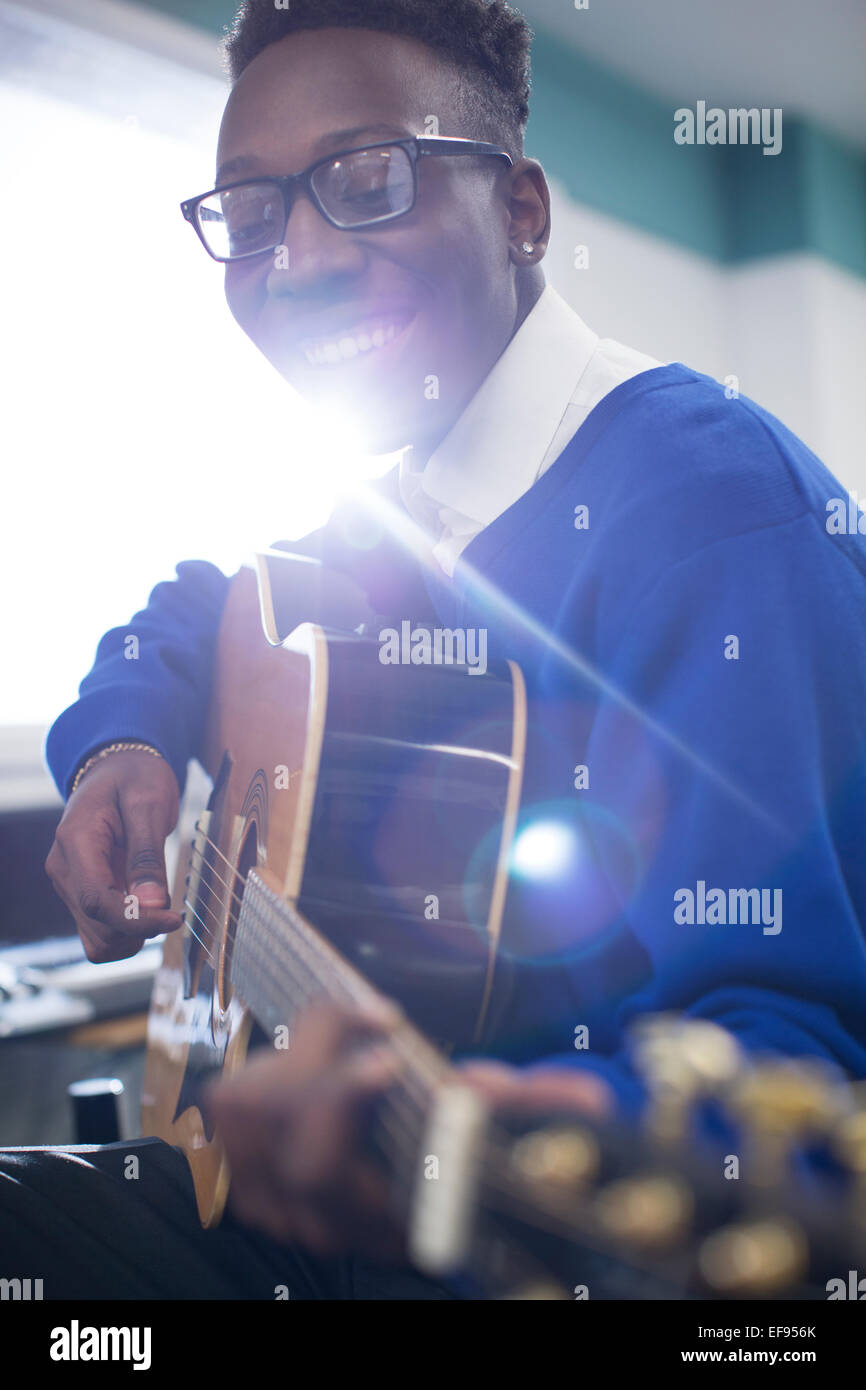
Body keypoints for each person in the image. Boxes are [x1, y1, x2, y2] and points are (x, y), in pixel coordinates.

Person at [3, 0, 866, 1300]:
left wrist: (451, 1134)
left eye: (364, 180)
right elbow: (195, 603)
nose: (294, 260)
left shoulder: (710, 511)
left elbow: (786, 1055)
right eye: (249, 211)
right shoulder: (410, 498)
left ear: (520, 209)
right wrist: (119, 736)